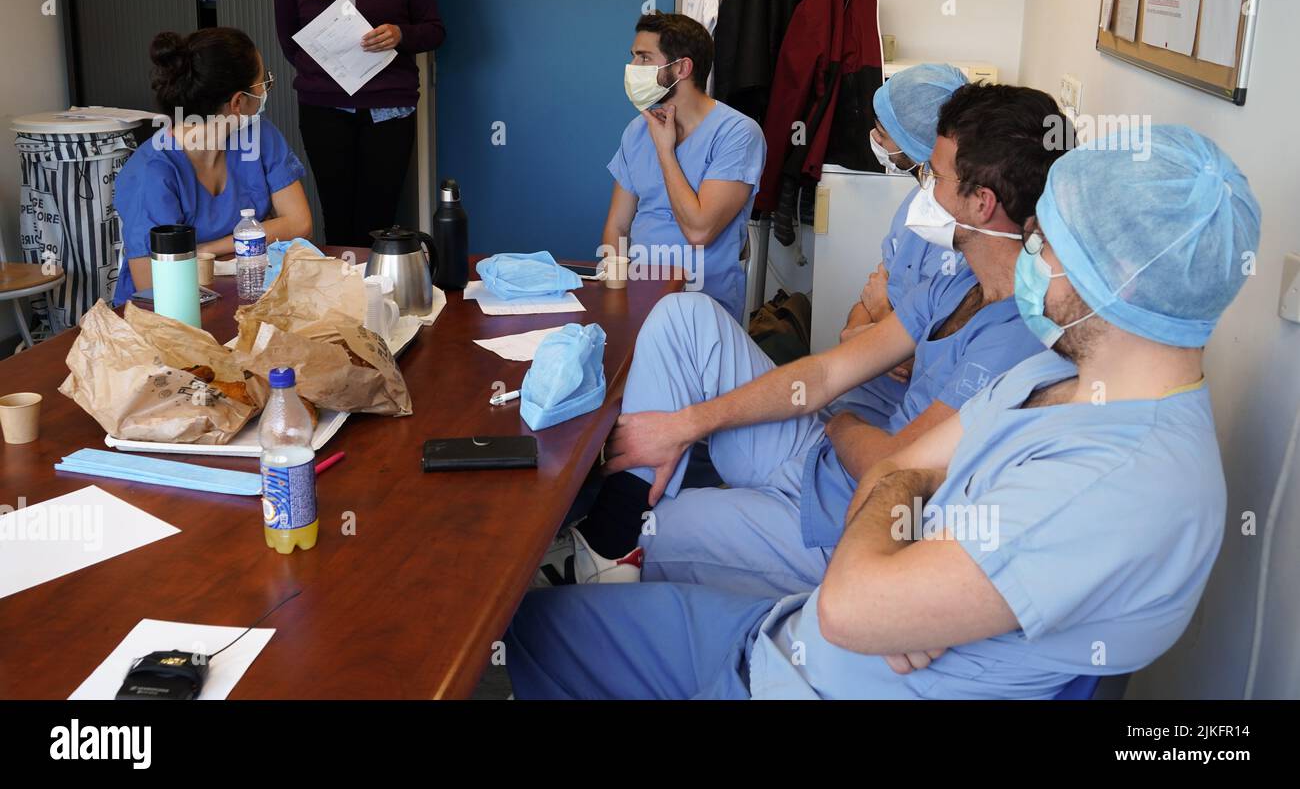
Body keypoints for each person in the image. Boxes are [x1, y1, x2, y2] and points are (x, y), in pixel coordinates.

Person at [505, 123, 1261, 699]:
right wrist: (895, 540)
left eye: (1051, 242)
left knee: (540, 625)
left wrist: (887, 557)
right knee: (534, 627)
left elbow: (857, 600)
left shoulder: (1123, 485)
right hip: (791, 625)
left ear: (1116, 277)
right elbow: (898, 469)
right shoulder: (1050, 369)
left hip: (799, 677)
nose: (1034, 250)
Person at [536, 83, 1064, 592]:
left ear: (981, 204)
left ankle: (618, 546)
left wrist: (843, 423)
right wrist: (687, 423)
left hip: (850, 519)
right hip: (825, 454)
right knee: (682, 316)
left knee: (665, 526)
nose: (924, 185)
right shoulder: (955, 280)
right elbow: (827, 372)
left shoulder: (1016, 334)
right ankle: (612, 534)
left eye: (937, 175)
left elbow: (894, 469)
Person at [274, 0, 445, 246]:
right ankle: (343, 301)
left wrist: (401, 34)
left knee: (378, 218)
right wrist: (325, 72)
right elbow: (289, 43)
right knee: (336, 217)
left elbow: (435, 30)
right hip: (324, 110)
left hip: (389, 110)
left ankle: (375, 299)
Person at [113, 28, 312, 304]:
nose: (265, 90)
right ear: (237, 102)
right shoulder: (152, 173)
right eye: (262, 83)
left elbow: (299, 222)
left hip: (243, 292)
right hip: (168, 313)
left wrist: (205, 250)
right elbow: (154, 289)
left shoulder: (259, 135)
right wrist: (249, 238)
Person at [602, 11, 765, 322]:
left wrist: (665, 152)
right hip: (638, 302)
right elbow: (618, 226)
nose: (633, 68)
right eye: (633, 56)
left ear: (681, 67)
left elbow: (699, 230)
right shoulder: (637, 131)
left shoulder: (738, 134)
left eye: (644, 58)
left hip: (704, 310)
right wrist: (615, 296)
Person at [833, 63, 971, 424]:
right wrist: (855, 333)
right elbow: (876, 285)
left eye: (883, 133)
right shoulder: (916, 204)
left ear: (916, 141)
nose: (875, 140)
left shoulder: (958, 235)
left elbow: (919, 361)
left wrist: (879, 315)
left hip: (907, 404)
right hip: (870, 370)